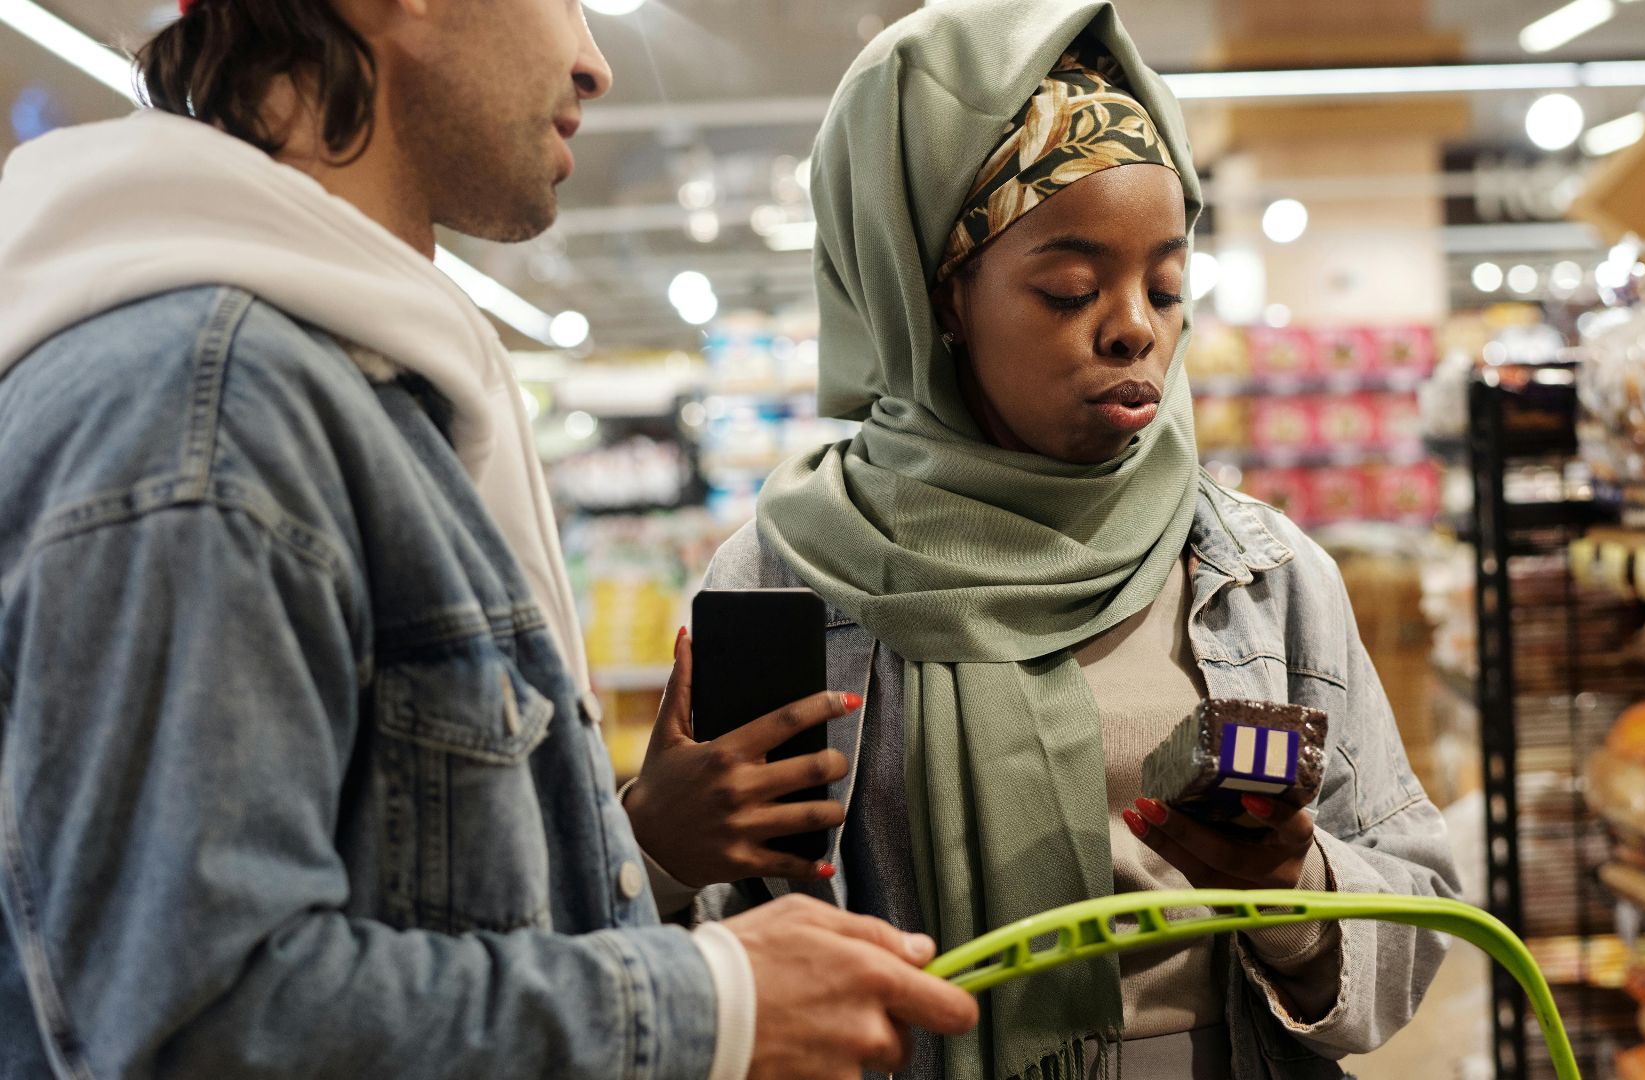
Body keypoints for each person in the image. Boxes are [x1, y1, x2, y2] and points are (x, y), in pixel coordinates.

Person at [0, 2, 974, 1078]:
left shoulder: (344, 386)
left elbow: (402, 895)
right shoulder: (213, 411)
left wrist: (630, 854)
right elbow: (198, 1024)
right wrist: (711, 1005)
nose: (595, 64)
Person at [623, 1, 1461, 1078]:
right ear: (941, 297)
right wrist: (654, 850)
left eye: (1166, 285)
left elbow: (1421, 911)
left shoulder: (1264, 572)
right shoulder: (789, 575)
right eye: (1071, 289)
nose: (1135, 328)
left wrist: (1301, 897)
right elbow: (704, 989)